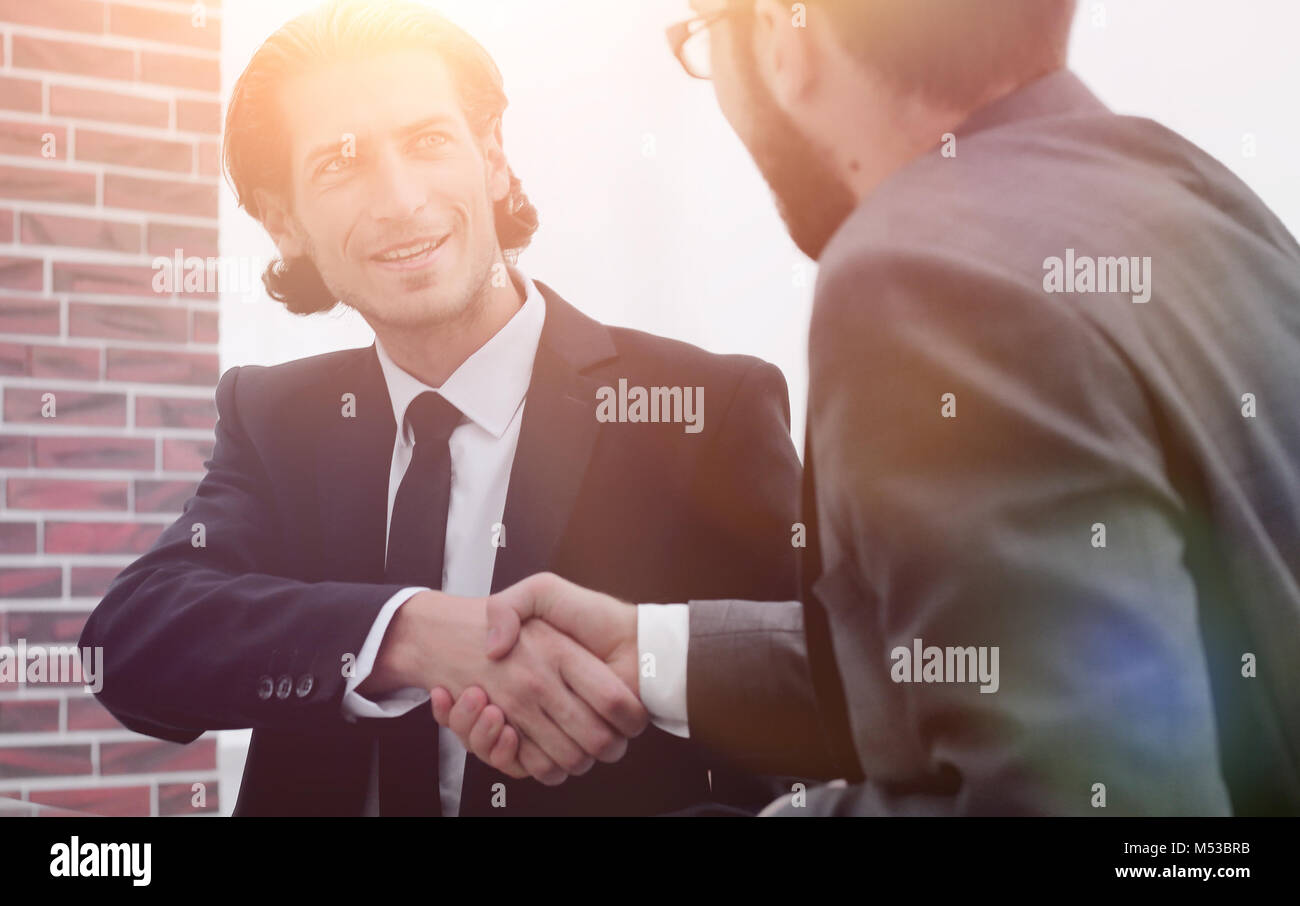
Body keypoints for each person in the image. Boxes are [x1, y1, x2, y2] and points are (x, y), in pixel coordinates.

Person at [438, 0, 1300, 815]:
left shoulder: (923, 273)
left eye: (709, 30)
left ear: (787, 36)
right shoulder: (1198, 194)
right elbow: (1026, 659)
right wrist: (652, 653)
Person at [78, 0, 805, 817]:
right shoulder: (276, 416)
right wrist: (409, 634)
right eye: (340, 164)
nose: (400, 199)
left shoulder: (704, 409)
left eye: (428, 141)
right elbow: (132, 641)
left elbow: (818, 707)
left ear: (492, 159)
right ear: (285, 224)